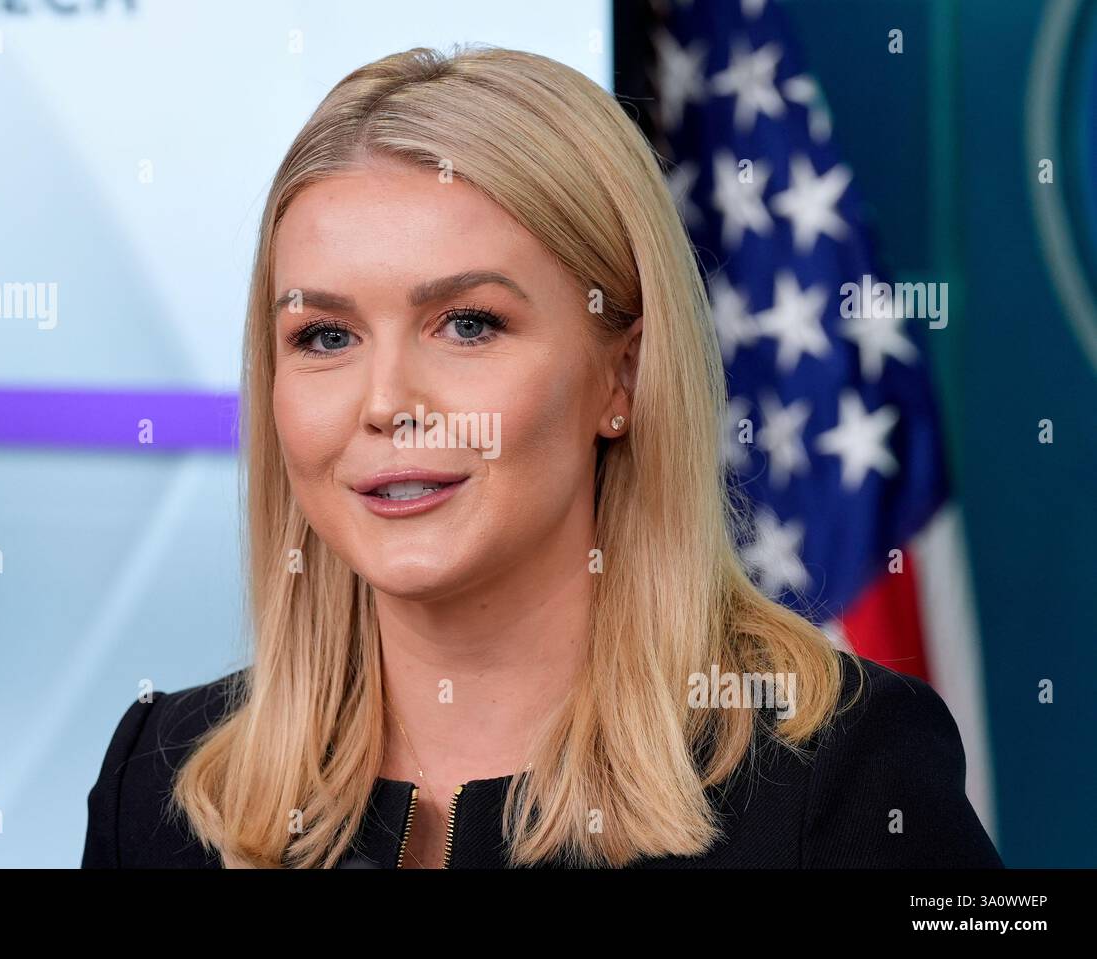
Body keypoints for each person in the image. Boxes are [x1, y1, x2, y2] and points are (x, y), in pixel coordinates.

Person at [82, 44, 1002, 869]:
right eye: (325, 336)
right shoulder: (156, 783)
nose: (386, 403)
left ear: (623, 374)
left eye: (469, 324)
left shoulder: (839, 772)